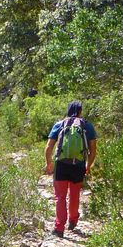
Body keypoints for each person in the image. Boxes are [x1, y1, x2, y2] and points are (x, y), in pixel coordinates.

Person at [44, 100, 97, 237]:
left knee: (60, 197)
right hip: (78, 165)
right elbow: (93, 150)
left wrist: (49, 163)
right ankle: (73, 220)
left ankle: (59, 227)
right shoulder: (87, 126)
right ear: (80, 111)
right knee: (74, 195)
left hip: (61, 164)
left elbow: (49, 147)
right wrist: (88, 166)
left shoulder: (59, 124)